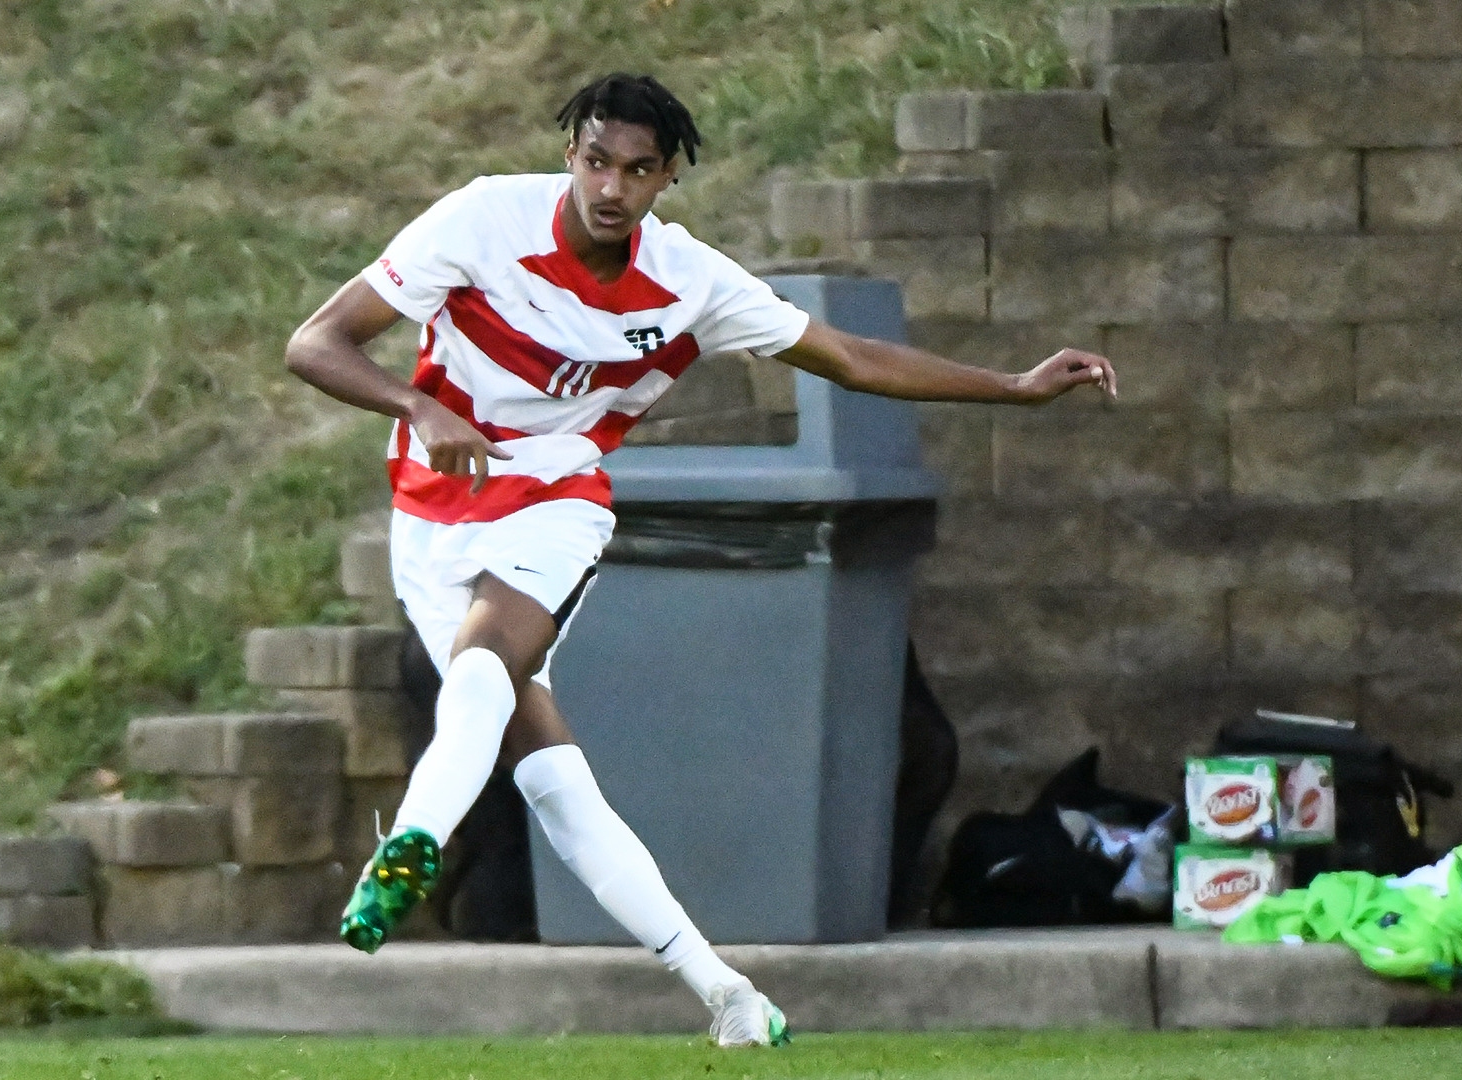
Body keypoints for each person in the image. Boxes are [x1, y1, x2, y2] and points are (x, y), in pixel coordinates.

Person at [284, 72, 1117, 1047]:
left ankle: (413, 841)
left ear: (665, 178)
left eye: (638, 170)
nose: (612, 186)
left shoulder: (689, 282)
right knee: (555, 783)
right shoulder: (480, 221)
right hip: (433, 511)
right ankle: (726, 992)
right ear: (572, 155)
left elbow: (850, 358)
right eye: (598, 161)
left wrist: (1013, 387)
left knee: (482, 663)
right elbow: (315, 343)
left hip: (557, 501)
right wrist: (415, 405)